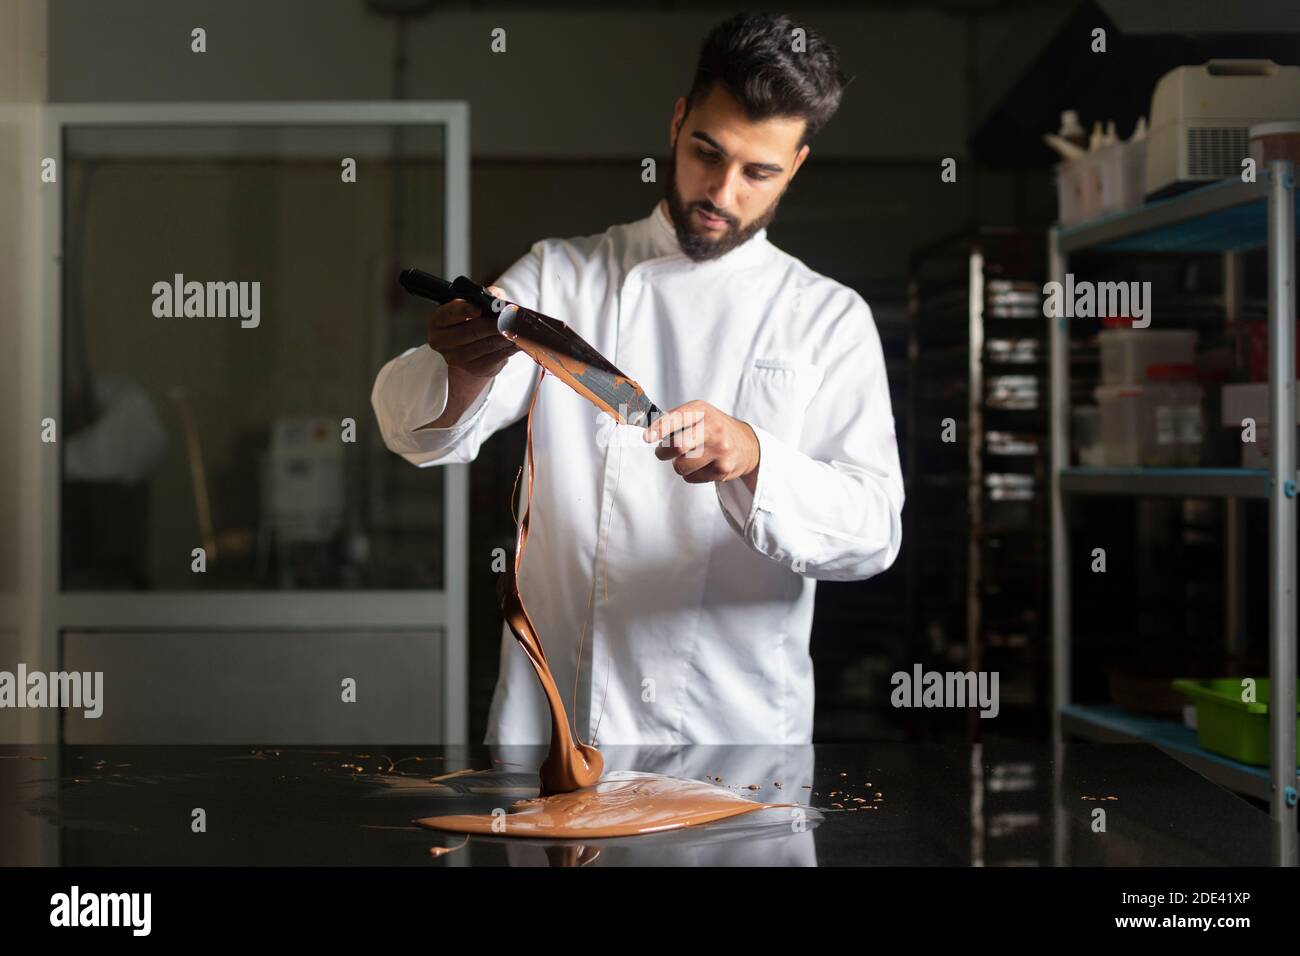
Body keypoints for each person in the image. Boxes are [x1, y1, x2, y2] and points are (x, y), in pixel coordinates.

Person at [371, 12, 903, 746]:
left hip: (735, 733)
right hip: (555, 722)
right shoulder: (562, 275)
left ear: (797, 167)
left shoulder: (827, 317)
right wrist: (463, 367)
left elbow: (873, 532)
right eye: (705, 152)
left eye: (759, 172)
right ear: (678, 120)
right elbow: (411, 433)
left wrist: (754, 455)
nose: (721, 192)